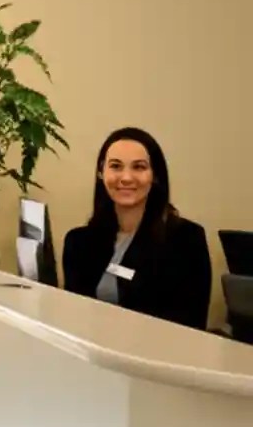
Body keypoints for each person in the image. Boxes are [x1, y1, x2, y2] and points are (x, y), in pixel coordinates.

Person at [61, 127, 212, 330]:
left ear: (155, 175)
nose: (126, 178)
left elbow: (191, 326)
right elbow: (74, 321)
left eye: (139, 167)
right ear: (101, 172)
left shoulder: (186, 240)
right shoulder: (78, 242)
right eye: (115, 166)